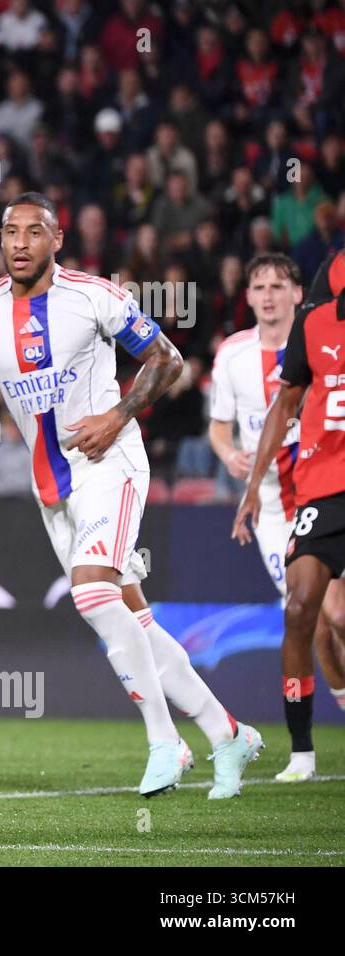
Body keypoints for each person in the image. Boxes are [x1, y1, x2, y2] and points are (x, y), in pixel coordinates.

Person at [0, 192, 262, 800]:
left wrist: (119, 415)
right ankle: (226, 732)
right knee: (134, 621)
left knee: (91, 591)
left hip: (109, 462)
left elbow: (166, 359)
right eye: (10, 232)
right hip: (52, 485)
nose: (19, 243)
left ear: (57, 239)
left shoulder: (95, 297)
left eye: (33, 232)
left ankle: (162, 742)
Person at [210, 253, 345, 782]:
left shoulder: (315, 330)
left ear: (297, 292)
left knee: (335, 617)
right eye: (257, 286)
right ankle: (307, 743)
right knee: (306, 612)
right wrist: (233, 466)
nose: (267, 296)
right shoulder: (233, 356)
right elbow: (222, 428)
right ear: (247, 296)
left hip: (317, 486)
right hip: (274, 502)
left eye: (277, 286)